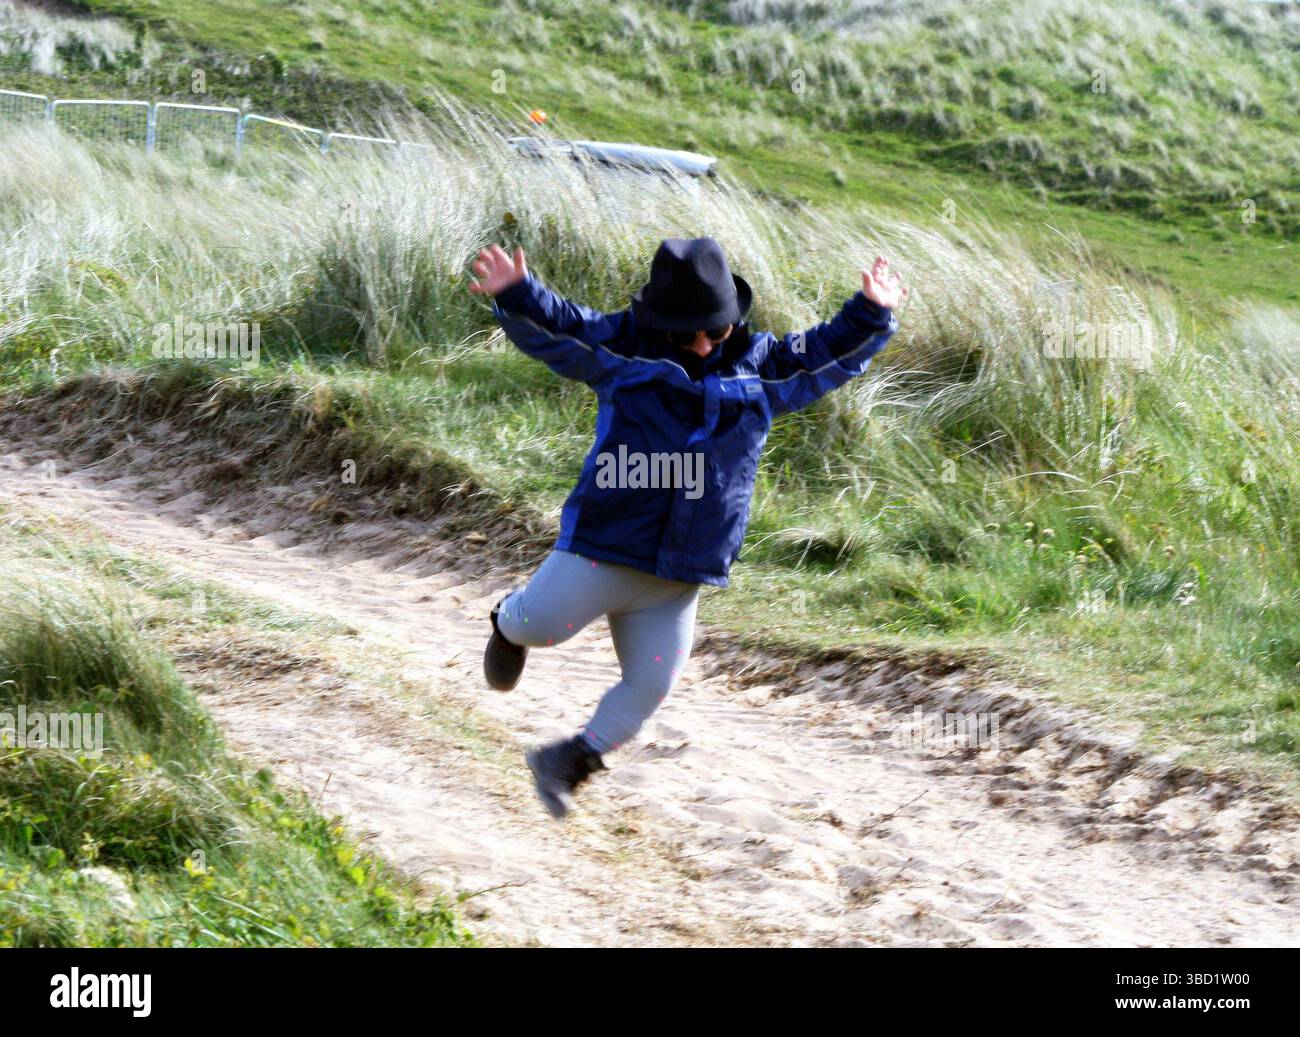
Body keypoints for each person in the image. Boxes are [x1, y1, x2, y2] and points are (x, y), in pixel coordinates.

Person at [469, 236, 906, 818]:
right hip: (604, 546)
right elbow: (565, 327)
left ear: (733, 321)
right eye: (684, 335)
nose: (701, 345)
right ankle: (508, 621)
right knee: (542, 628)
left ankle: (565, 763)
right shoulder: (622, 352)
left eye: (715, 332)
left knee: (651, 685)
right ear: (658, 324)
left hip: (682, 573)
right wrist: (518, 292)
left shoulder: (766, 369)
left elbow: (826, 352)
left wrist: (871, 312)